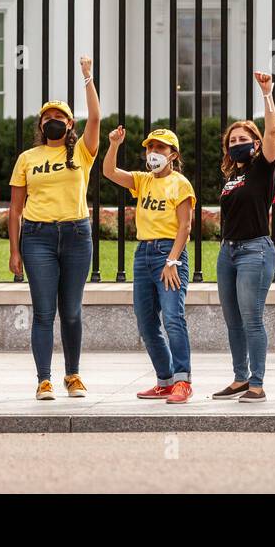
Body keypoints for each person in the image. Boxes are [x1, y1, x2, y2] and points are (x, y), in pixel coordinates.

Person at [8, 55, 101, 400]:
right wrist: (14, 250)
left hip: (77, 235)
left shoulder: (83, 152)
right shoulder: (27, 158)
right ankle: (44, 380)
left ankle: (73, 376)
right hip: (38, 238)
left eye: (59, 118)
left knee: (72, 312)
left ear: (70, 123)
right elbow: (15, 209)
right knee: (44, 312)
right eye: (48, 118)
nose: (53, 122)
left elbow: (96, 117)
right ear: (40, 124)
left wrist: (87, 77)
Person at [104, 125, 198, 405]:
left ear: (173, 155)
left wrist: (172, 260)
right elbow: (110, 172)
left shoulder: (180, 183)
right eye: (150, 148)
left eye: (160, 148)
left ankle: (183, 381)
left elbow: (185, 226)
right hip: (143, 253)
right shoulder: (143, 180)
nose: (154, 152)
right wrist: (114, 144)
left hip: (168, 253)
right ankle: (165, 381)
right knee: (146, 321)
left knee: (172, 318)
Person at [212, 71, 275, 403]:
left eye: (243, 138)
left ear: (255, 143)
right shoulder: (231, 177)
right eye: (232, 140)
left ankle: (257, 383)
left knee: (252, 318)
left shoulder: (262, 168)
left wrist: (266, 94)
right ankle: (240, 378)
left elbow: (272, 130)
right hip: (228, 252)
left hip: (255, 249)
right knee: (233, 320)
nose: (237, 143)